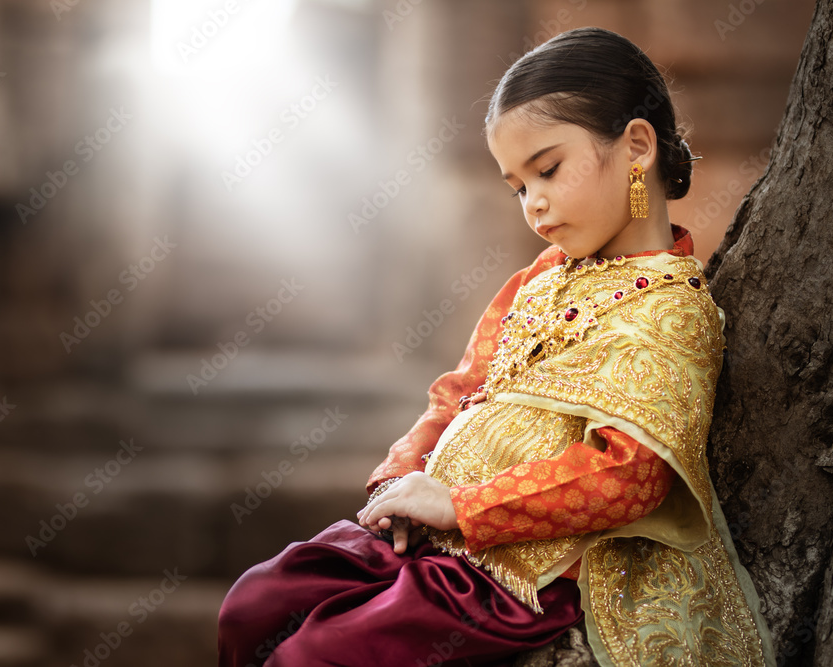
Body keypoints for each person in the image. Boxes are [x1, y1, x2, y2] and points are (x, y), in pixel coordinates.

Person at [218, 26, 776, 667]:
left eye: (548, 170)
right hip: (432, 528)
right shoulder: (537, 279)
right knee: (255, 603)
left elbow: (633, 475)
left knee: (313, 656)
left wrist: (462, 507)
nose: (533, 204)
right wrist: (401, 484)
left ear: (636, 147)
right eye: (518, 187)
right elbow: (459, 390)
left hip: (519, 571)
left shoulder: (674, 309)